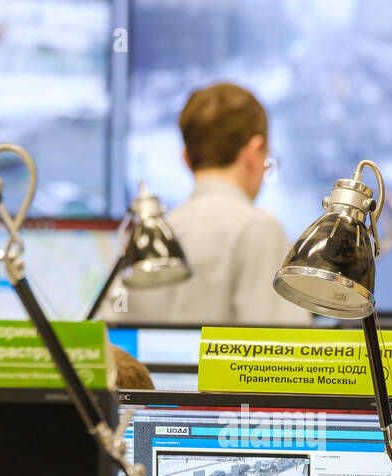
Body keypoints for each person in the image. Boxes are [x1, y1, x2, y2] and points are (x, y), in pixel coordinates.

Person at [97, 82, 310, 326]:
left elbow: (109, 343)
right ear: (254, 151)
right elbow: (286, 352)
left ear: (186, 158)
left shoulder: (145, 238)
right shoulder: (260, 230)